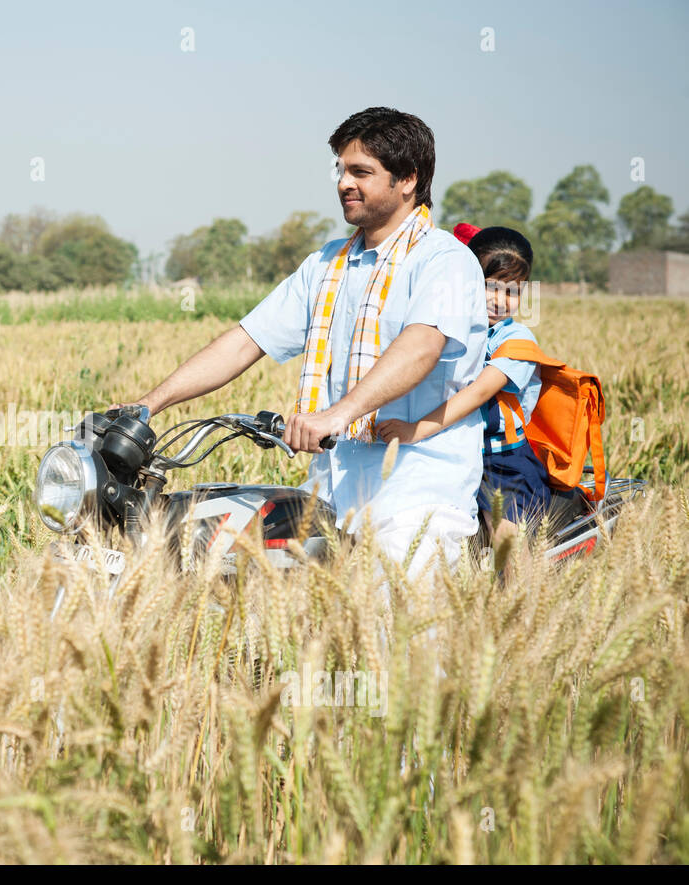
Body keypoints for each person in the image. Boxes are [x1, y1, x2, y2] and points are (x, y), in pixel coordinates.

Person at [121, 107, 487, 574]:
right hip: (330, 491)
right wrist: (148, 405)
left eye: (361, 172)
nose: (344, 183)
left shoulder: (444, 261)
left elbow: (421, 347)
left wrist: (339, 413)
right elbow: (244, 340)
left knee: (393, 634)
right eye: (340, 170)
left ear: (408, 179)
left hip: (414, 498)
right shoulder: (327, 264)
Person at [377, 225, 549, 549]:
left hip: (502, 464)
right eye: (490, 288)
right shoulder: (455, 330)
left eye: (512, 291)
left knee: (505, 543)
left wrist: (413, 430)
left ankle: (519, 597)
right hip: (453, 452)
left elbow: (477, 393)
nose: (500, 300)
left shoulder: (517, 341)